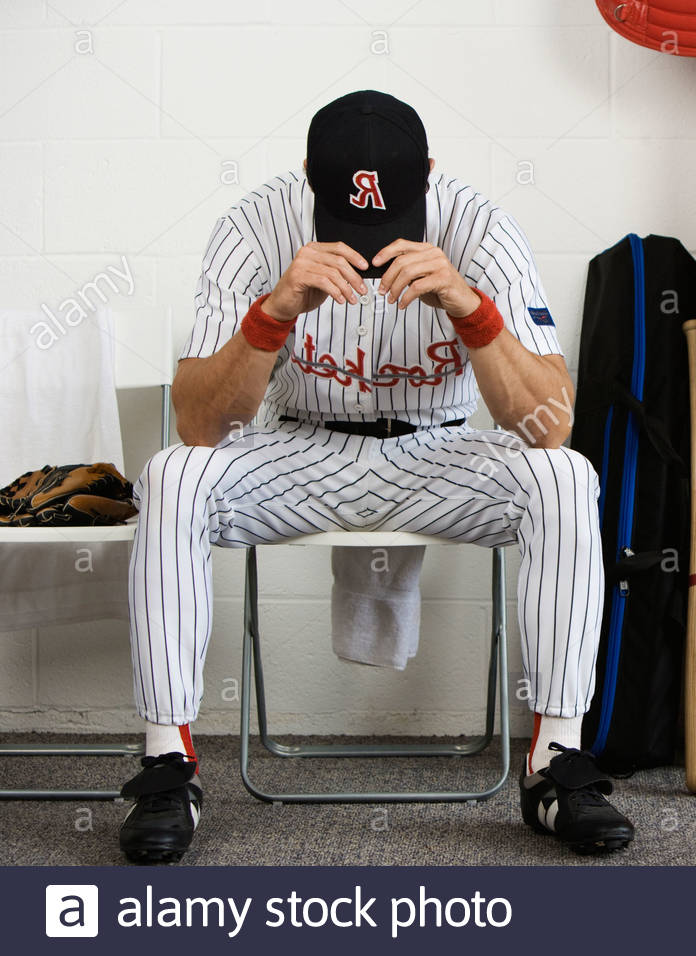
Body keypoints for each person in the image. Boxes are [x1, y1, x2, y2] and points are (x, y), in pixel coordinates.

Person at [117, 90, 633, 862]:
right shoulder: (253, 225)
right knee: (171, 475)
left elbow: (549, 422)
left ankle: (555, 763)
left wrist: (471, 305)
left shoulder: (478, 224)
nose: (366, 242)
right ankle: (167, 762)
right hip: (299, 449)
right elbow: (199, 425)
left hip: (439, 452)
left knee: (563, 475)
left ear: (427, 176)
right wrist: (274, 310)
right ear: (309, 179)